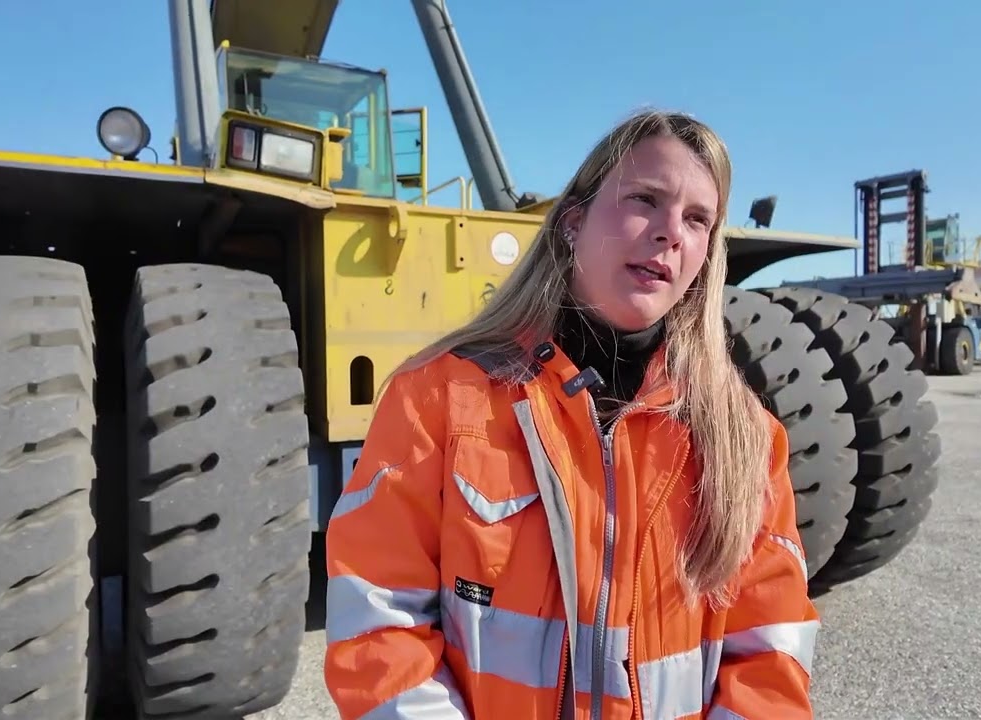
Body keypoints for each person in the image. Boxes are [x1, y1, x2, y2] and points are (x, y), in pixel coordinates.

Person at [323, 109, 819, 720]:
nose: (671, 232)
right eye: (645, 199)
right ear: (573, 222)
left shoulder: (745, 437)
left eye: (697, 220)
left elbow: (771, 657)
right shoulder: (437, 398)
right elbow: (378, 623)